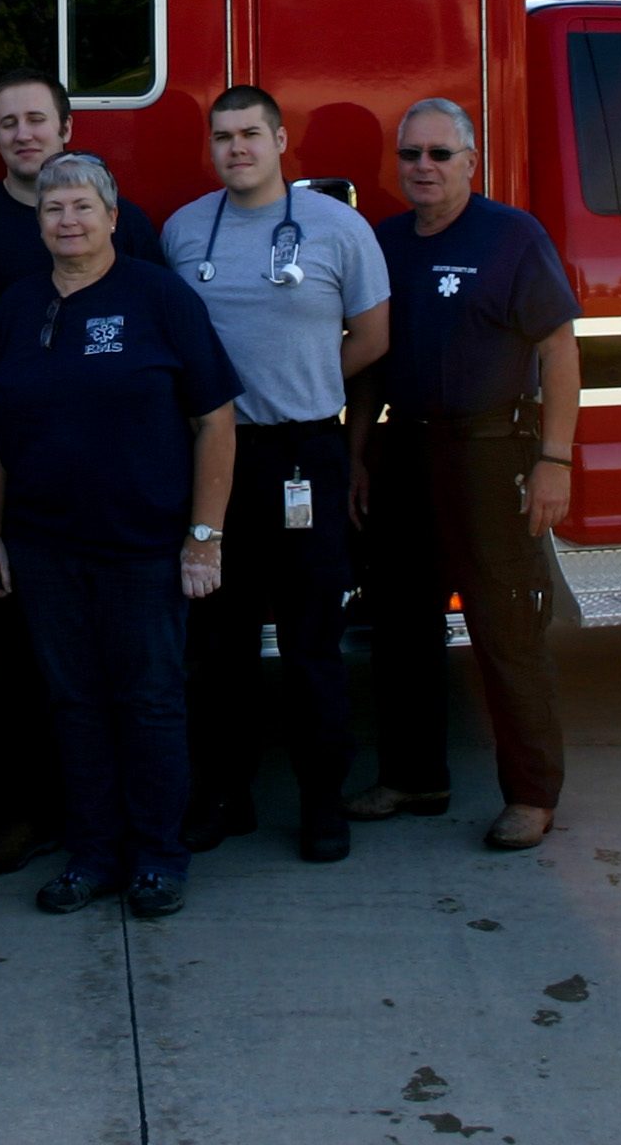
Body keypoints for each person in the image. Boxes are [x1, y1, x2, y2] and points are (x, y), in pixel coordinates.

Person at [0, 152, 239, 919]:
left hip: (141, 549)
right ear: (39, 222)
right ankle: (92, 856)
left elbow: (214, 419)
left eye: (83, 208)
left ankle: (158, 858)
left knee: (150, 702)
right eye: (54, 209)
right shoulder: (20, 307)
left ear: (113, 219)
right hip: (46, 549)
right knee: (74, 704)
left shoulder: (161, 298)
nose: (67, 221)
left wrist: (204, 536)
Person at [161, 85, 389, 864]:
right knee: (217, 643)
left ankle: (323, 803)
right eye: (222, 137)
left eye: (251, 134)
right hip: (215, 461)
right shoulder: (185, 231)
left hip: (304, 458)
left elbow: (374, 335)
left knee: (309, 641)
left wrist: (308, 380)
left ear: (281, 139)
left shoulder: (337, 228)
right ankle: (225, 797)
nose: (236, 149)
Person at [346, 97, 580, 852]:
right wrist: (354, 455)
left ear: (470, 164)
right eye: (410, 154)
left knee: (504, 626)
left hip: (489, 454)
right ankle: (415, 777)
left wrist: (554, 459)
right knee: (402, 626)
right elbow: (371, 366)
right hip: (405, 453)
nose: (422, 168)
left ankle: (533, 794)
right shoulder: (384, 243)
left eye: (439, 155)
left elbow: (559, 351)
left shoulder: (512, 237)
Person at [0, 67, 163, 875]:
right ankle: (29, 814)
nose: (23, 134)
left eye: (37, 120)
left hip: (117, 491)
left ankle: (142, 823)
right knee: (21, 666)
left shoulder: (126, 222)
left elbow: (164, 357)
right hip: (21, 483)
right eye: (8, 123)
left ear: (67, 129)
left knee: (136, 674)